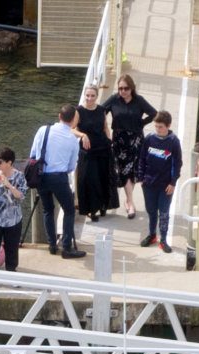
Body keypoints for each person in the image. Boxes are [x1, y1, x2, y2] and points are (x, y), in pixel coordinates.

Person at [31, 105, 85, 259]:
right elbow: (71, 166)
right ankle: (66, 247)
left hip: (41, 175)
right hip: (59, 177)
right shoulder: (72, 140)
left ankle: (52, 244)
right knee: (69, 210)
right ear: (73, 120)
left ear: (59, 116)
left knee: (47, 209)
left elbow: (33, 154)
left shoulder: (43, 130)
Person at [107, 76, 158, 220]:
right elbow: (100, 112)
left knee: (132, 170)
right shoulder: (113, 100)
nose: (123, 91)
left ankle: (129, 201)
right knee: (123, 170)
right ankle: (129, 201)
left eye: (126, 88)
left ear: (132, 88)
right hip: (119, 139)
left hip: (135, 139)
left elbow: (154, 113)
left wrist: (141, 123)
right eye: (120, 88)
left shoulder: (139, 100)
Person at [137, 110, 183, 253]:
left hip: (165, 185)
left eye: (161, 127)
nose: (158, 129)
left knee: (163, 213)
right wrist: (141, 177)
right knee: (151, 211)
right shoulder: (149, 139)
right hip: (149, 183)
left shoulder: (174, 142)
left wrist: (173, 183)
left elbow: (178, 164)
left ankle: (163, 239)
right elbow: (142, 158)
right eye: (156, 126)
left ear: (168, 125)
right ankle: (152, 235)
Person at [74, 86, 113, 220]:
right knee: (89, 179)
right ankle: (90, 209)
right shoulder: (79, 111)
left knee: (103, 177)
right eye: (87, 95)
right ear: (84, 95)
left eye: (92, 96)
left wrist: (109, 139)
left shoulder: (101, 109)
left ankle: (102, 205)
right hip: (87, 150)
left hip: (102, 147)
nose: (89, 98)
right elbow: (71, 129)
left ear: (96, 97)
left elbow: (105, 127)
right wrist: (83, 135)